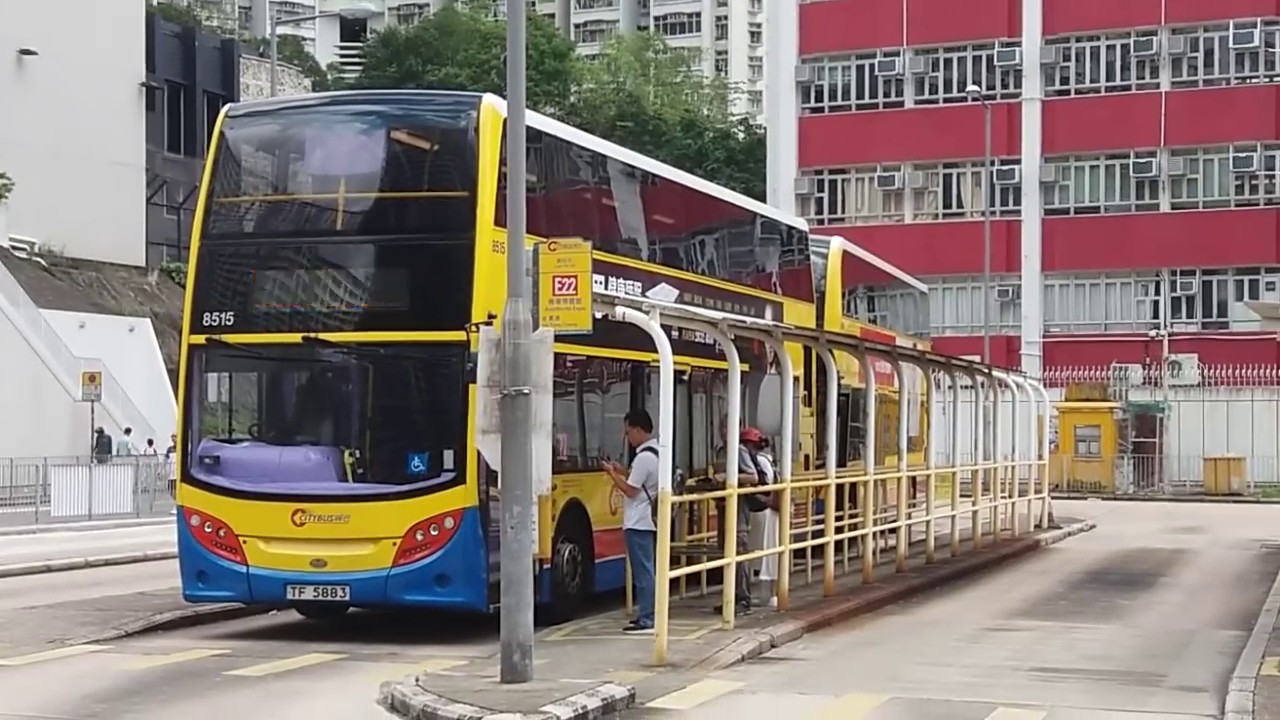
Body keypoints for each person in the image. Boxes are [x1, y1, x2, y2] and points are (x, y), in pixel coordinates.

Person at [600, 409, 658, 635]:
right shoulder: (657, 452)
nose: (627, 438)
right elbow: (638, 478)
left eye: (628, 432)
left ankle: (647, 617)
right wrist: (621, 470)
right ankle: (648, 613)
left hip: (638, 520)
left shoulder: (643, 458)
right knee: (647, 569)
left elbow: (631, 490)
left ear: (638, 429)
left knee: (643, 572)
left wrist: (611, 475)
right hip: (646, 519)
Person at [712, 427, 765, 616]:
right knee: (727, 556)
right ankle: (730, 597)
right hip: (725, 510)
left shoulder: (739, 450)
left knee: (738, 555)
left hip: (738, 514)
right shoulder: (722, 450)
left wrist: (728, 478)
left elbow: (753, 476)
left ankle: (743, 599)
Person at [743, 427, 781, 609]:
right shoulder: (768, 460)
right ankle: (770, 594)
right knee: (769, 552)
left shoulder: (758, 462)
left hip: (762, 510)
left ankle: (766, 594)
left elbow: (762, 487)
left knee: (760, 552)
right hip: (771, 510)